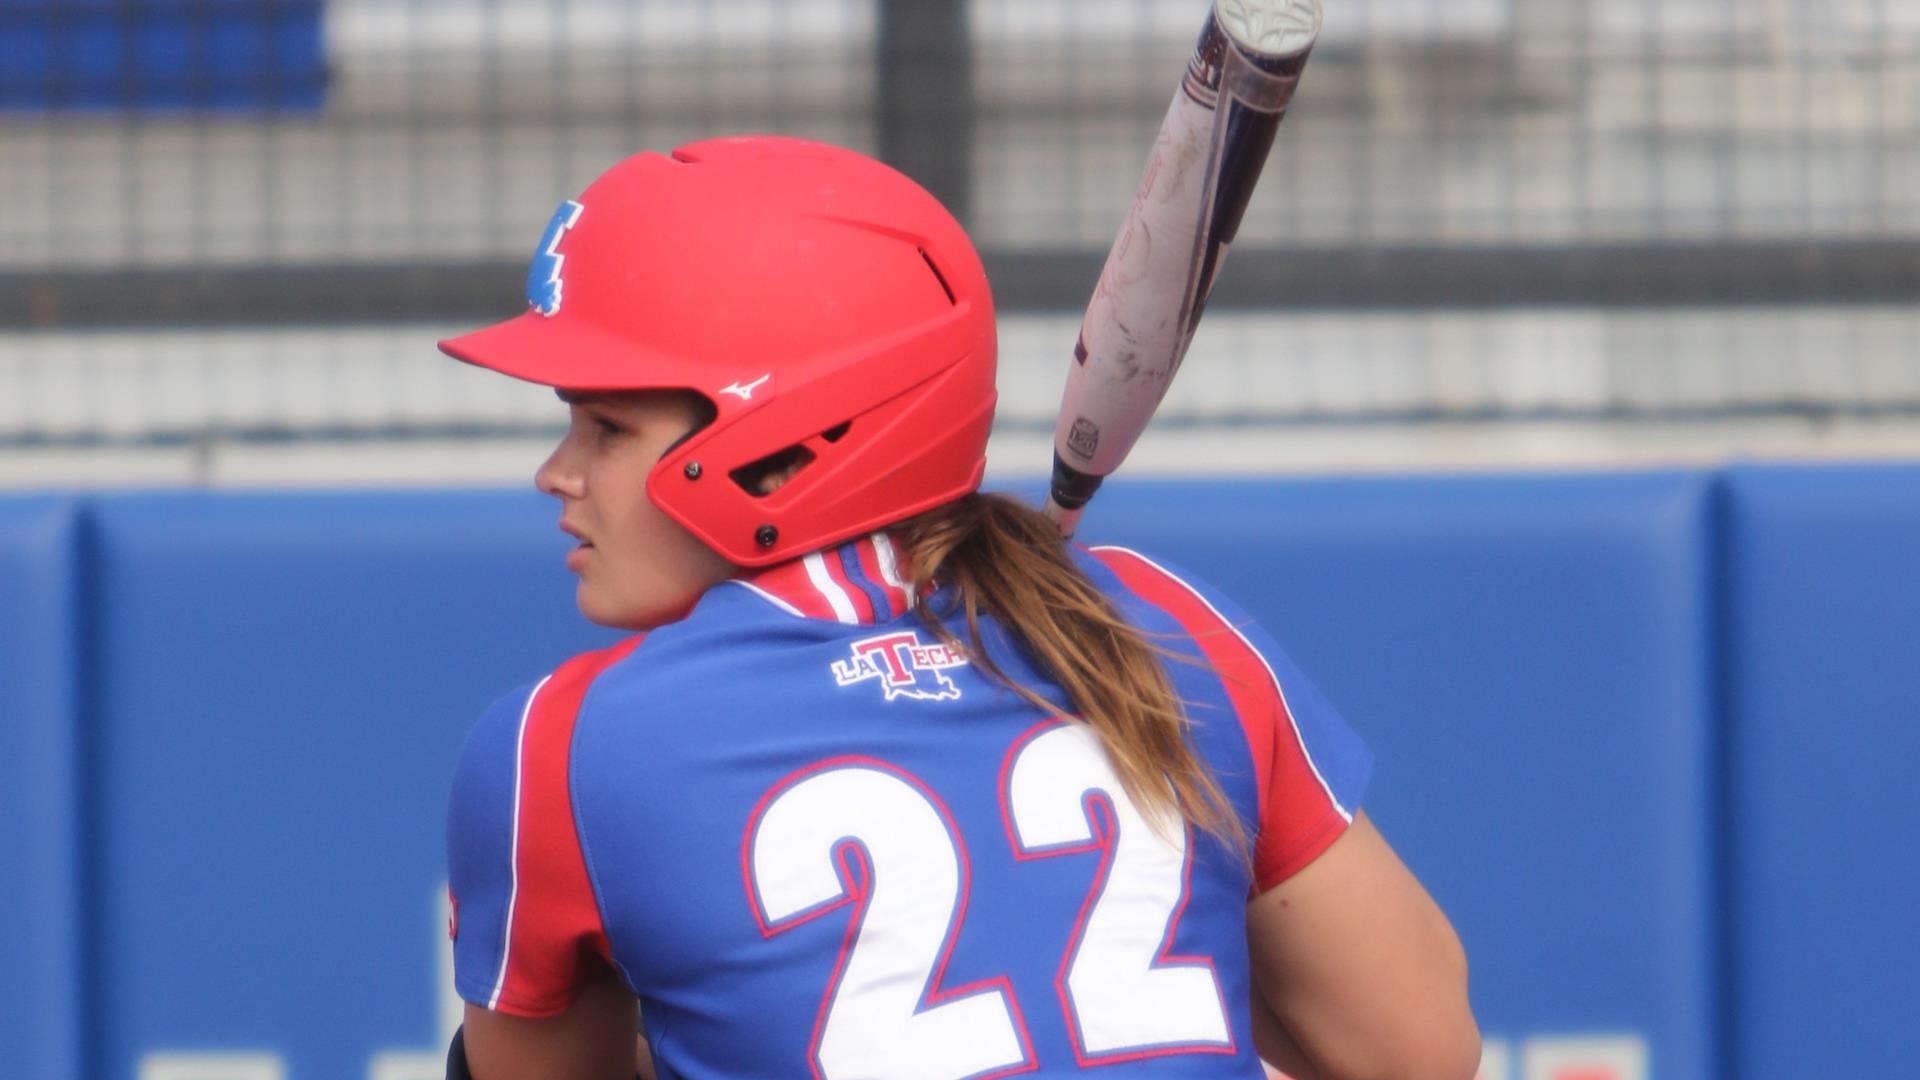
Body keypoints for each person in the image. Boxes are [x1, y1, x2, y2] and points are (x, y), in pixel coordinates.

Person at [439, 134, 1478, 1080]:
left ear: (783, 445)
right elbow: (1420, 1053)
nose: (557, 473)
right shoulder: (1161, 625)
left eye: (606, 428)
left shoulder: (561, 746)